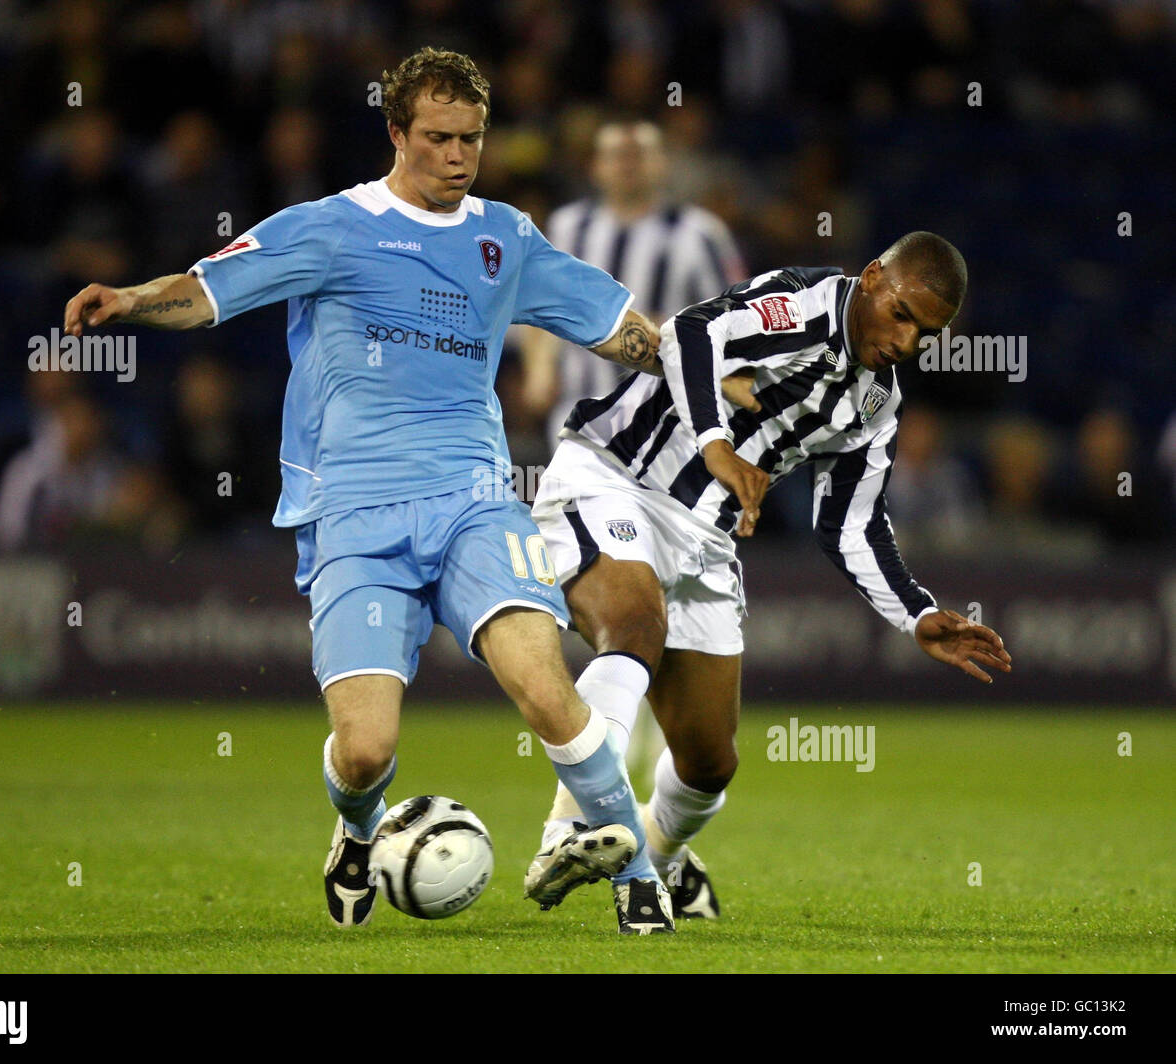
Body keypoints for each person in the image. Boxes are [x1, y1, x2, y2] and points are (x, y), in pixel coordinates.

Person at [63, 48, 680, 934]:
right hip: (354, 515)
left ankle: (638, 877)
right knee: (364, 751)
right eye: (438, 137)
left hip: (474, 500)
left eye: (472, 138)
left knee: (549, 692)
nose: (458, 156)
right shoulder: (328, 228)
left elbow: (619, 330)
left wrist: (702, 372)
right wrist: (130, 300)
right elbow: (205, 291)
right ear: (396, 132)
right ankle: (357, 831)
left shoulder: (505, 238)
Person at [525, 232, 1014, 919]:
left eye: (925, 334)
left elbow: (849, 524)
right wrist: (715, 443)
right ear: (873, 277)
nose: (906, 341)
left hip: (707, 537)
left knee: (708, 766)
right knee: (634, 627)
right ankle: (571, 829)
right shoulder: (801, 305)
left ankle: (651, 866)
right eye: (902, 314)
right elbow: (690, 332)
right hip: (617, 478)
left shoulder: (876, 403)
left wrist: (916, 613)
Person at [520, 120, 746, 446]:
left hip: (668, 413)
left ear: (662, 164)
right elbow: (539, 304)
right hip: (580, 407)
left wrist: (674, 331)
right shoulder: (568, 227)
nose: (628, 165)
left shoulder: (700, 233)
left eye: (639, 154)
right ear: (596, 166)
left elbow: (735, 315)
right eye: (617, 155)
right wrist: (539, 369)